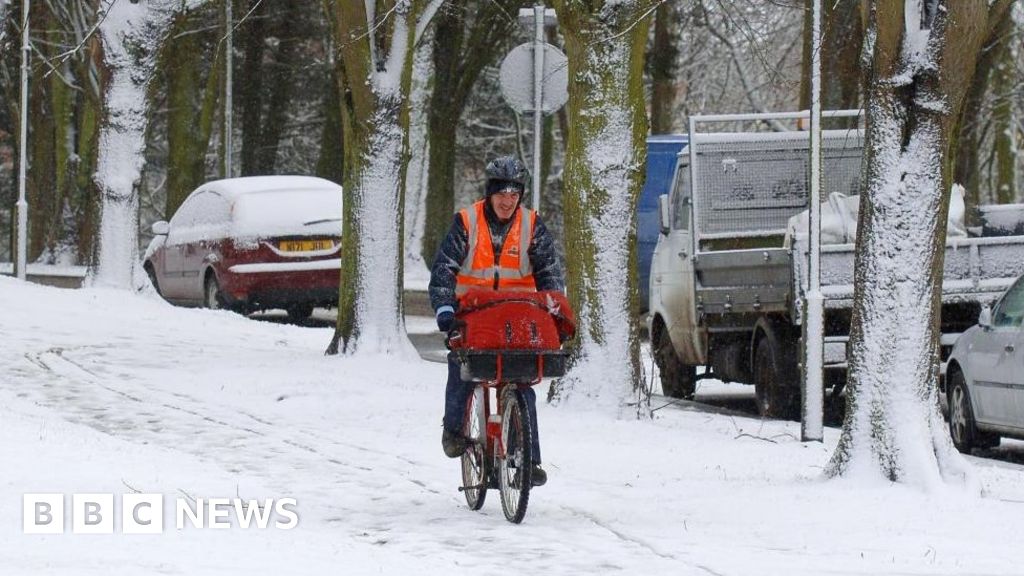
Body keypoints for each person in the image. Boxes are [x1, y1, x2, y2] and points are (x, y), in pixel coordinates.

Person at [428, 155, 564, 487]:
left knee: (522, 384)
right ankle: (454, 431)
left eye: (514, 194)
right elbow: (444, 269)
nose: (507, 201)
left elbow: (549, 274)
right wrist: (445, 309)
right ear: (490, 193)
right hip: (474, 316)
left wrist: (555, 312)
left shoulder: (532, 225)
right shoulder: (467, 222)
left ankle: (529, 460)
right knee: (463, 367)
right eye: (501, 193)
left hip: (518, 318)